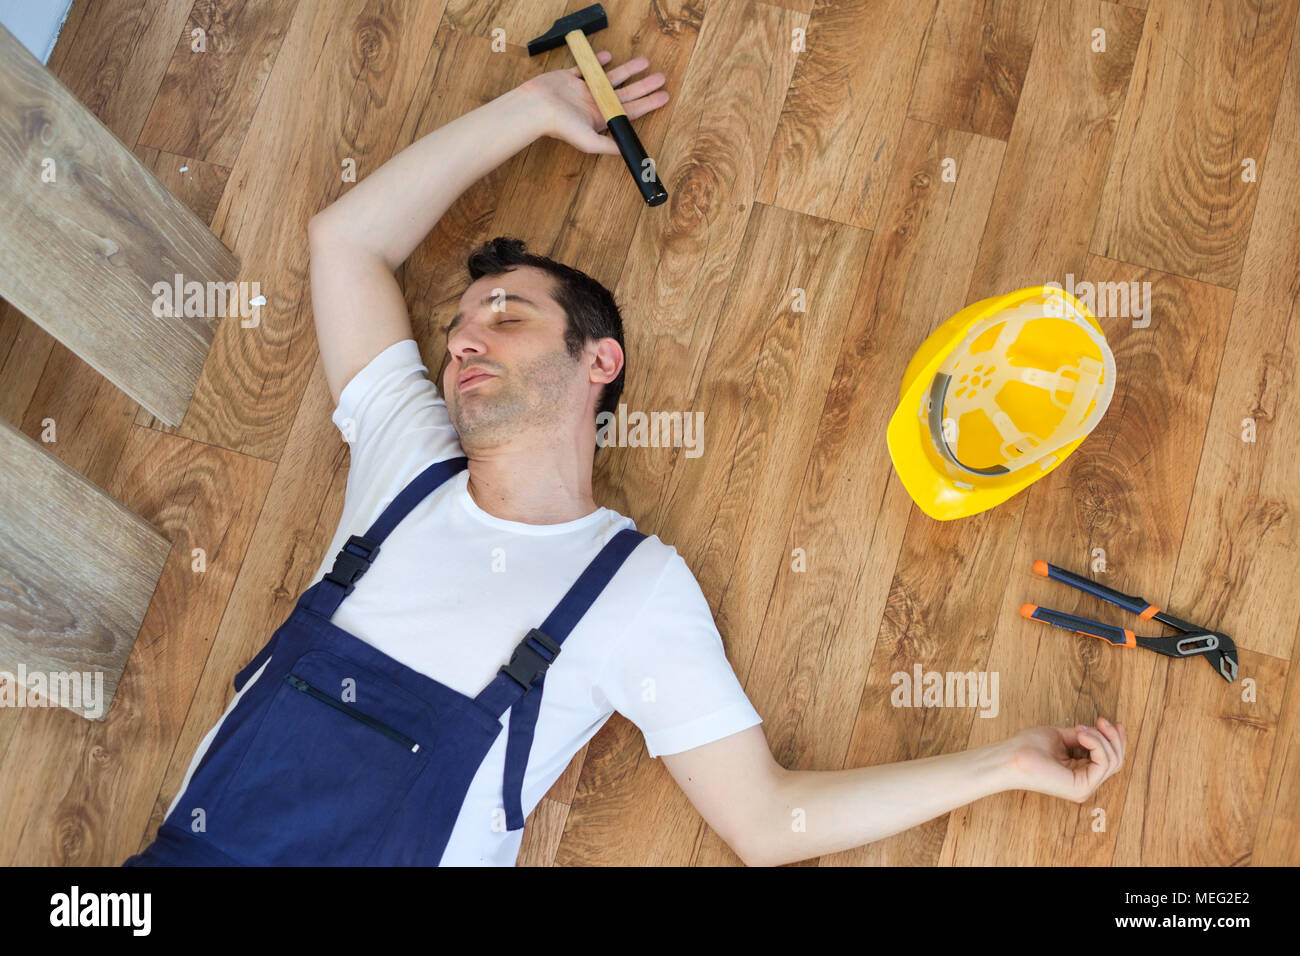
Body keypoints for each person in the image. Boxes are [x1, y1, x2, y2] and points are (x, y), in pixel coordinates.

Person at [127, 52, 1125, 869]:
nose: (463, 340)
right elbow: (343, 241)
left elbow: (765, 820)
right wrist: (526, 108)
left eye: (506, 314)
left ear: (598, 360)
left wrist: (1007, 763)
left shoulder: (631, 592)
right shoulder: (405, 460)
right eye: (457, 328)